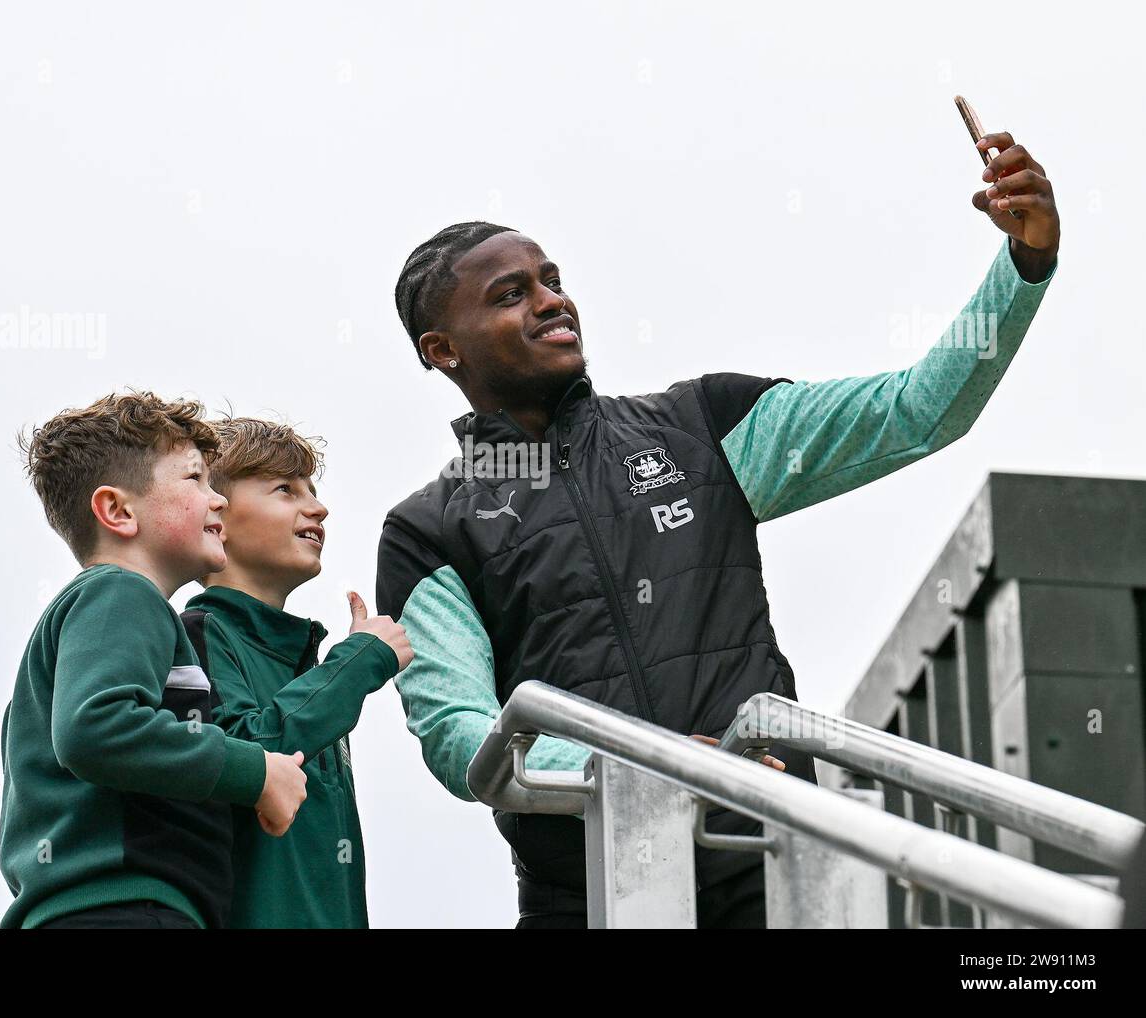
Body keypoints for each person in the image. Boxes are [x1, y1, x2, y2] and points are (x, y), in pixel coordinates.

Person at [376, 133, 1060, 927]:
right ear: (442, 349)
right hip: (585, 899)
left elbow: (918, 409)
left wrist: (1024, 264)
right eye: (510, 294)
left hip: (772, 868)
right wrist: (648, 768)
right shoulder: (427, 530)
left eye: (553, 281)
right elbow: (463, 740)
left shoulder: (703, 423)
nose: (551, 300)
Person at [0, 392, 309, 929]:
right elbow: (96, 729)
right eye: (195, 480)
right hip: (125, 913)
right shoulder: (120, 593)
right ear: (117, 511)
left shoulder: (111, 612)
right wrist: (254, 769)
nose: (219, 501)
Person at [184, 417, 412, 927]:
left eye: (312, 489)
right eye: (285, 489)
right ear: (216, 515)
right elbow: (246, 753)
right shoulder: (198, 633)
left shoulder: (302, 662)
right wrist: (358, 663)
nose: (319, 507)